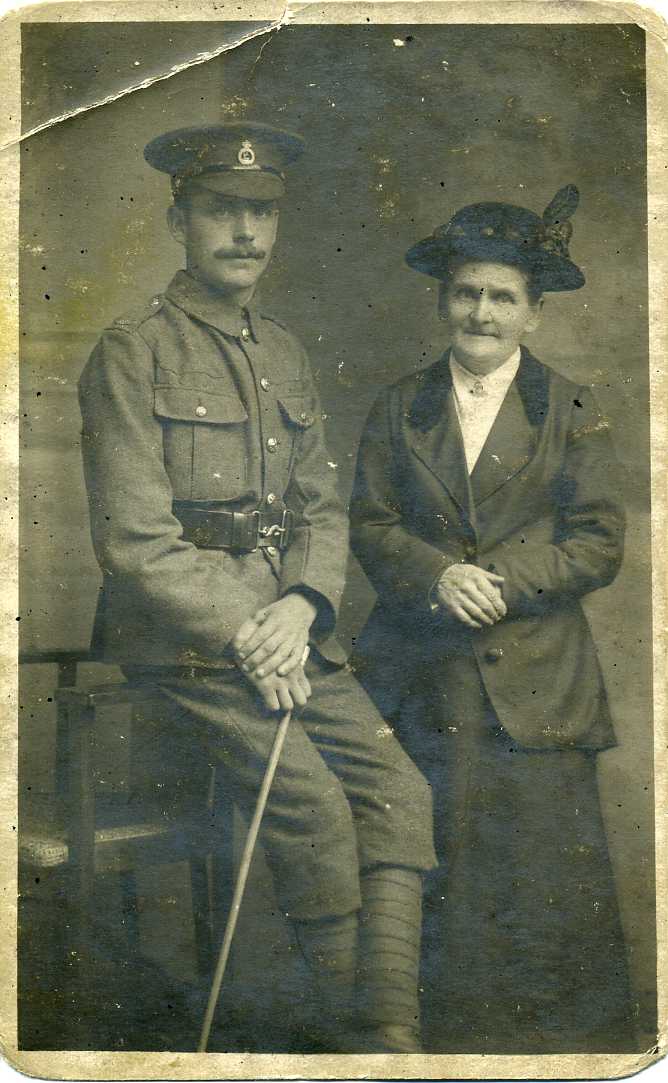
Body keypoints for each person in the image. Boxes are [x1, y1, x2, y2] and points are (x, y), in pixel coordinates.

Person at [78, 122, 437, 1053]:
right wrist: (250, 627)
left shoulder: (284, 349)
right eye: (222, 210)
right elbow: (134, 541)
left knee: (399, 788)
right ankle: (358, 1040)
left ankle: (390, 1025)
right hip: (184, 641)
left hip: (288, 627)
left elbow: (320, 506)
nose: (245, 231)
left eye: (261, 212)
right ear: (179, 219)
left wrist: (307, 604)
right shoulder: (133, 350)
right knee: (313, 805)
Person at [349, 187, 634, 1051]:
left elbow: (597, 541)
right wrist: (437, 575)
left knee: (545, 892)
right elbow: (367, 522)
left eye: (503, 297)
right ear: (443, 301)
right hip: (422, 678)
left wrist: (500, 581)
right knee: (433, 884)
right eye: (467, 293)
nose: (482, 311)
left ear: (535, 314)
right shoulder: (400, 406)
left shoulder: (574, 408)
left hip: (540, 687)